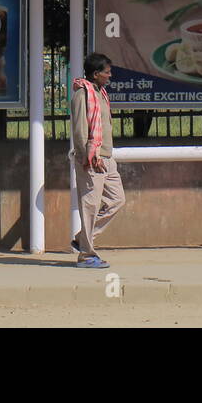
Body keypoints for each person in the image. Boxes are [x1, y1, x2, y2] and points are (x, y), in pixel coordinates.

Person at [69, 52, 125, 269]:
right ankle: (86, 255)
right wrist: (89, 157)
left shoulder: (99, 93)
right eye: (107, 72)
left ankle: (83, 238)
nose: (110, 76)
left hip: (107, 158)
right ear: (96, 74)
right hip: (92, 160)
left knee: (117, 200)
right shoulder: (82, 95)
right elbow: (80, 131)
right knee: (90, 206)